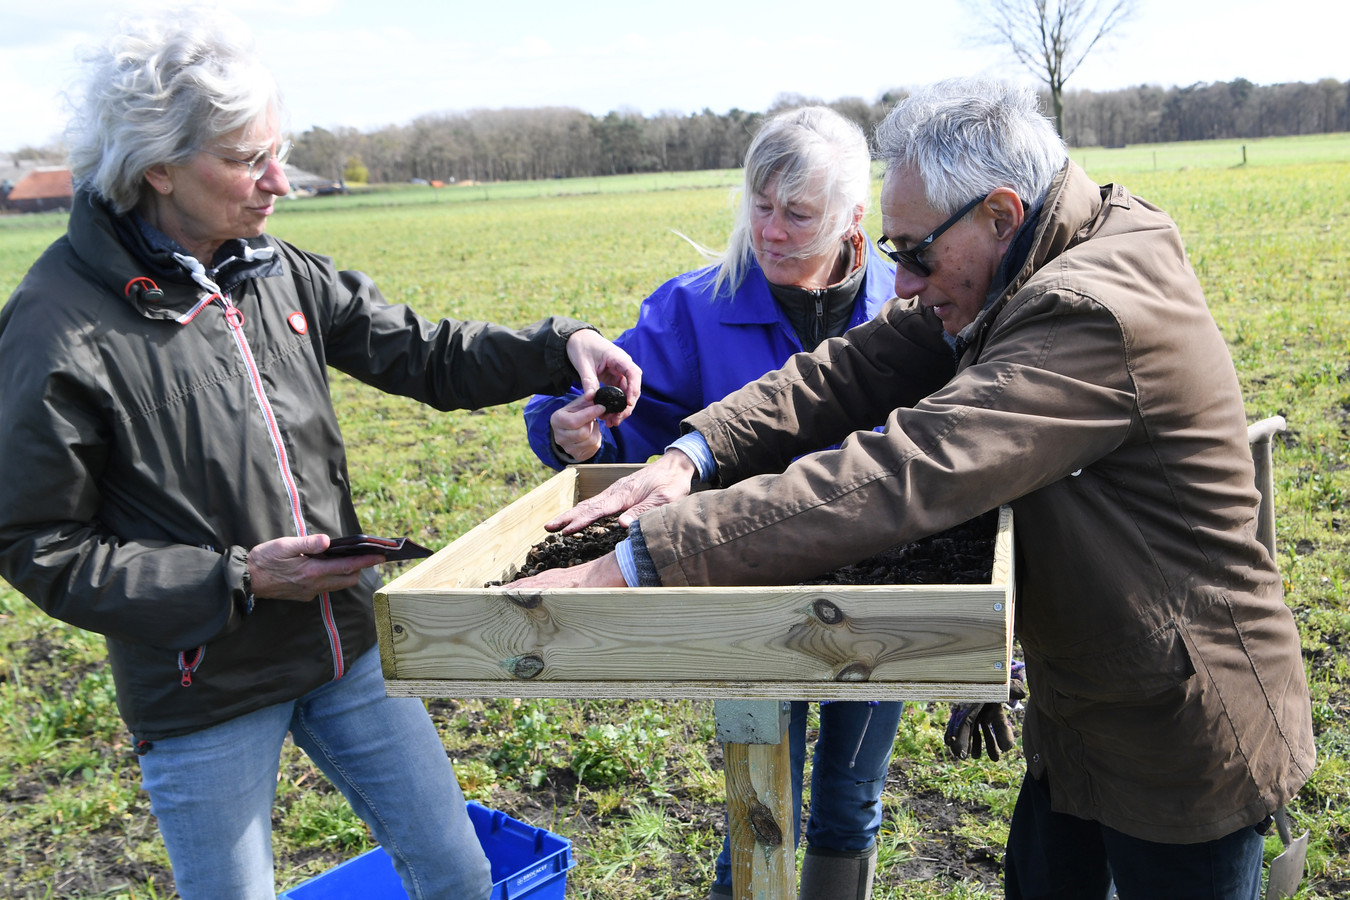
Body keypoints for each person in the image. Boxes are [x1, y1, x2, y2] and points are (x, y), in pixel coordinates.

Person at [505, 78, 1315, 900]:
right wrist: (694, 454)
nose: (902, 284)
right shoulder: (1032, 255)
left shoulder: (1085, 312)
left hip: (1179, 726)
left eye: (918, 255)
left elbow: (908, 467)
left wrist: (642, 560)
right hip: (1091, 704)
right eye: (894, 255)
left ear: (1000, 214)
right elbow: (848, 371)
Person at [0, 11, 638, 900]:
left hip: (344, 646)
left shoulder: (271, 269)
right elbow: (38, 544)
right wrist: (237, 580)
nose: (279, 183)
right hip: (203, 685)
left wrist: (560, 343)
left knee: (455, 873)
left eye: (279, 150)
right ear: (157, 166)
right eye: (244, 160)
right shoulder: (55, 328)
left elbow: (426, 353)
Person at [524, 106, 904, 900]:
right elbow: (627, 425)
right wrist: (573, 434)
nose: (771, 230)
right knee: (759, 803)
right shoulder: (694, 307)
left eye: (799, 214)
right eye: (760, 205)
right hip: (743, 582)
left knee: (850, 800)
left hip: (884, 584)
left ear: (853, 217)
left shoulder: (910, 303)